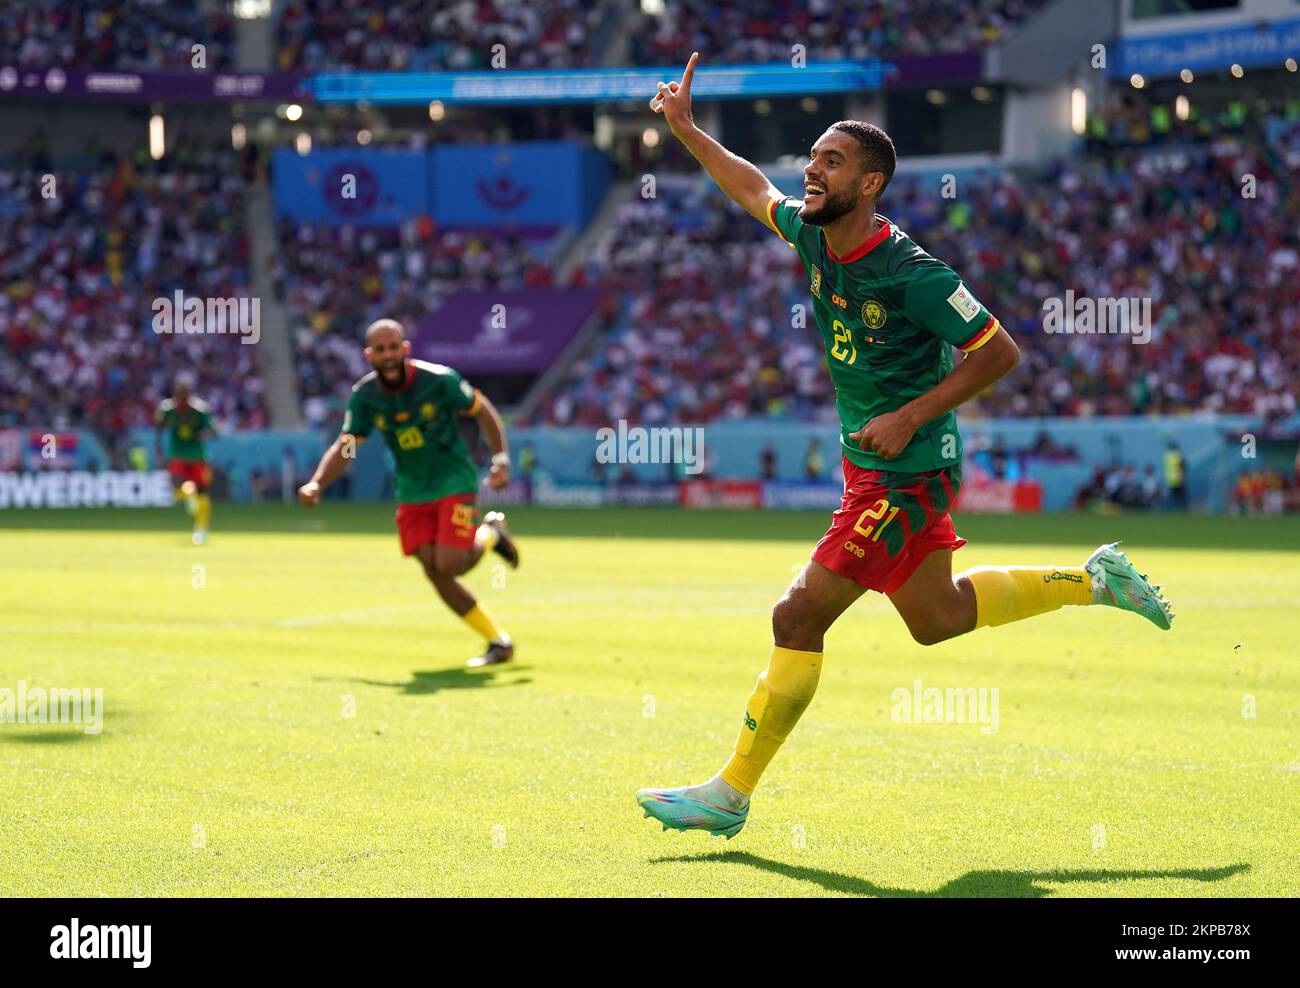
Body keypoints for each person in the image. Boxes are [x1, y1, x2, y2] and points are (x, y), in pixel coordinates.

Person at [636, 53, 1175, 840]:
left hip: (904, 474)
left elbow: (1000, 352)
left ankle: (731, 793)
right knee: (937, 618)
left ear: (871, 183)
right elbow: (753, 187)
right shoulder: (815, 236)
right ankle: (1093, 580)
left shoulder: (912, 271)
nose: (811, 170)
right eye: (813, 157)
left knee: (797, 615)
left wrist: (912, 415)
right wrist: (686, 129)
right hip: (878, 468)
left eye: (832, 161)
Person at [298, 319, 520, 667]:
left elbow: (483, 411)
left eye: (393, 347)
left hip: (452, 480)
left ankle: (491, 532)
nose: (387, 355)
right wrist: (317, 482)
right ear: (369, 355)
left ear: (405, 349)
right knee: (434, 571)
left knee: (449, 563)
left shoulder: (439, 380)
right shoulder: (366, 396)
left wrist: (501, 459)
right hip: (412, 490)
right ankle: (498, 641)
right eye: (380, 350)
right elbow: (347, 446)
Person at [155, 376, 215, 545]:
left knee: (203, 493)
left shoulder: (200, 410)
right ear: (175, 393)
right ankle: (189, 496)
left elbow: (214, 431)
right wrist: (158, 449)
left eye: (185, 394)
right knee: (175, 487)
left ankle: (201, 529)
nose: (182, 397)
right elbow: (158, 427)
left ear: (189, 394)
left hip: (198, 456)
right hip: (178, 455)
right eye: (179, 393)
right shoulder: (167, 409)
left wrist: (204, 434)